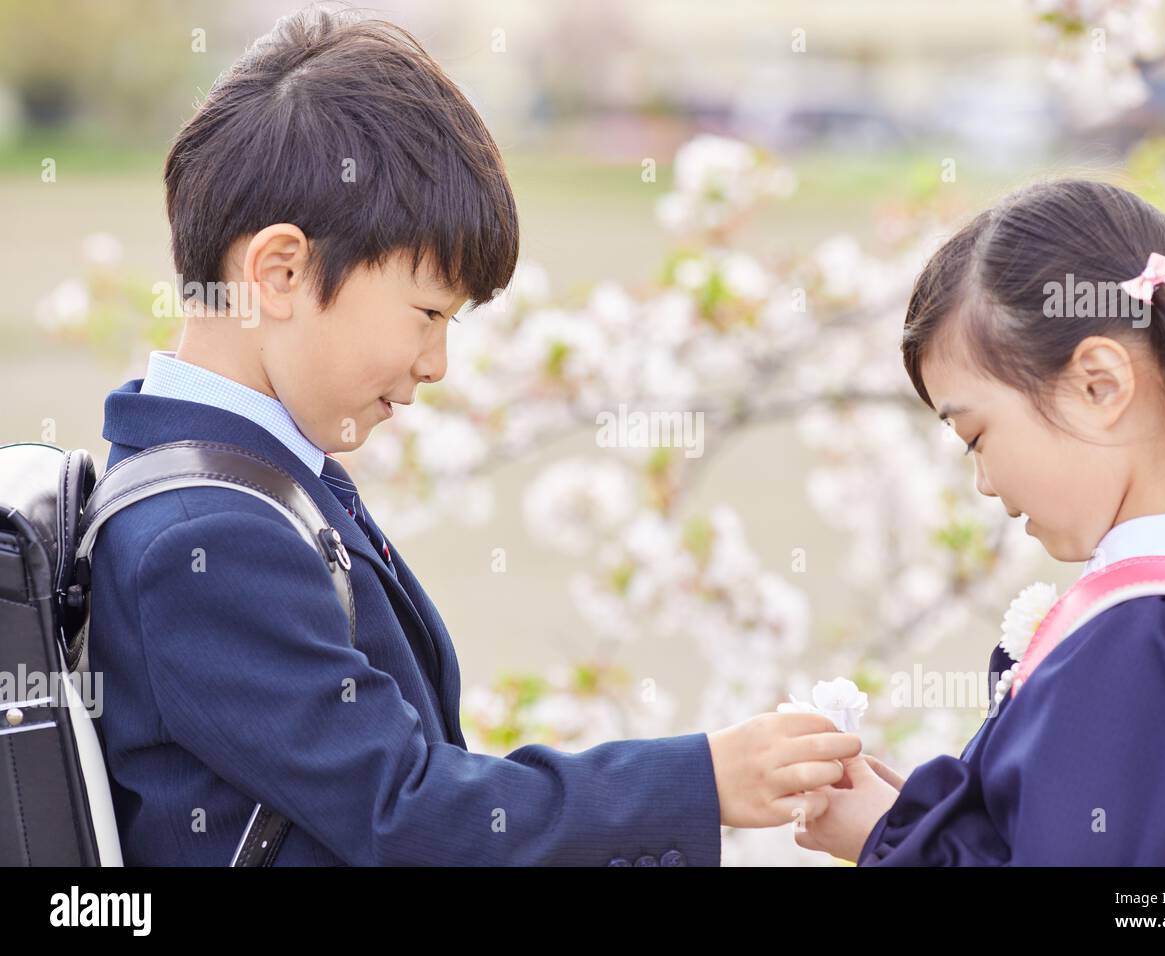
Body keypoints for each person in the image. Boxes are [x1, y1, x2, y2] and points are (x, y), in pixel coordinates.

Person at [89, 6, 860, 866]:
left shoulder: (235, 483)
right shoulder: (207, 536)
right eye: (427, 313)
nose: (438, 363)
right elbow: (407, 814)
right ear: (280, 271)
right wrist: (696, 781)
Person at [797, 178, 1165, 865]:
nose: (983, 482)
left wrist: (889, 840)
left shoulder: (1148, 637)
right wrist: (909, 821)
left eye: (975, 436)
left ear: (1101, 384)